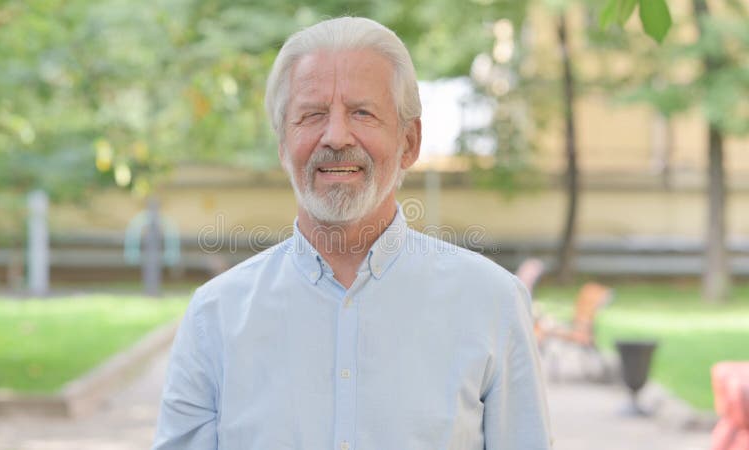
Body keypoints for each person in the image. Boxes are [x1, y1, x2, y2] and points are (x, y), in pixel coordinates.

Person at [153, 16, 552, 450]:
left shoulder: (492, 304)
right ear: (283, 144)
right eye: (312, 114)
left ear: (410, 142)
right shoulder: (215, 317)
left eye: (362, 113)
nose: (337, 135)